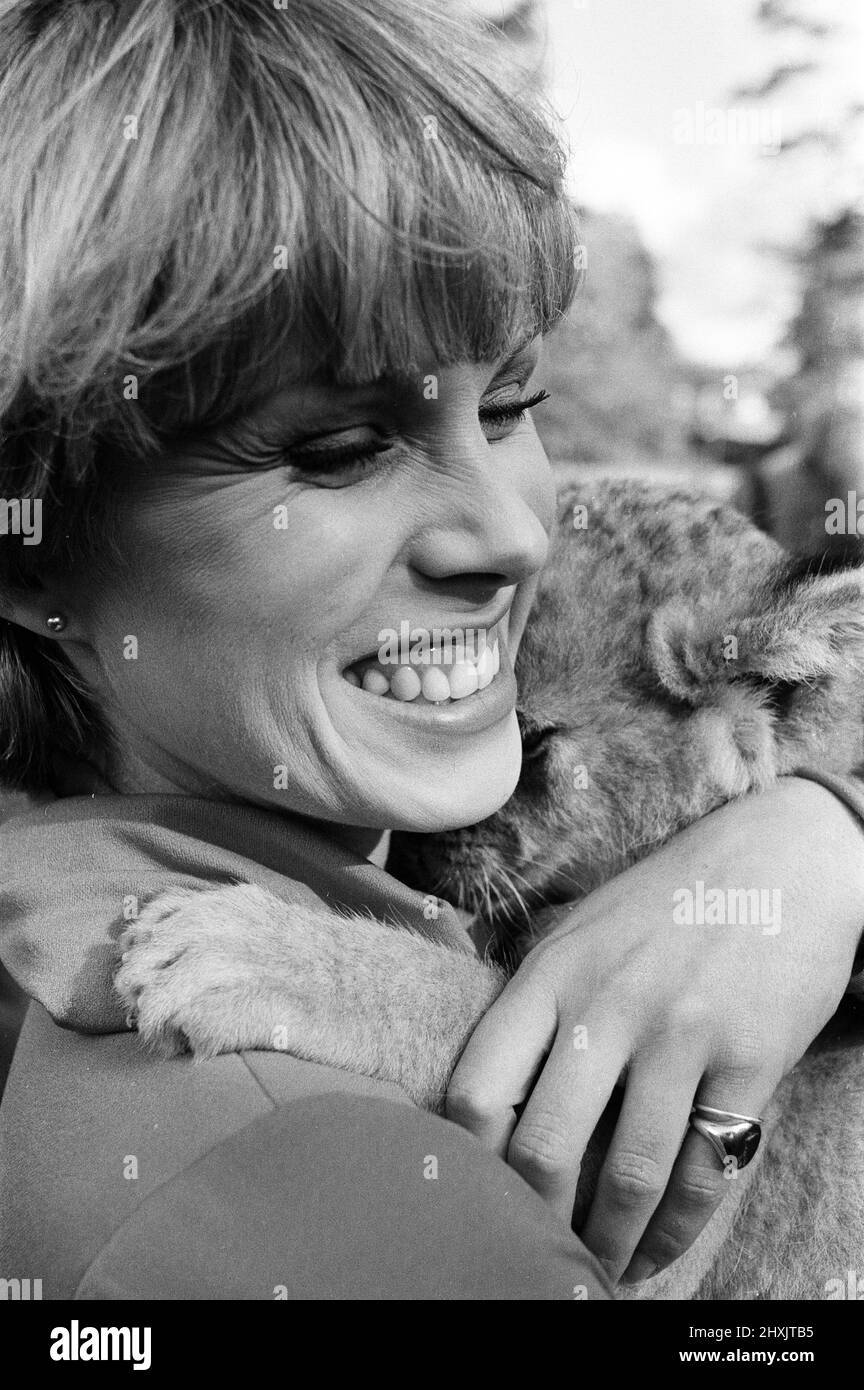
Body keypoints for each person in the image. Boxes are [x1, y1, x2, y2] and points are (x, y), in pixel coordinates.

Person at [0, 0, 862, 1300]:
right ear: (33, 556)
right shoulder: (330, 1187)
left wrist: (822, 831)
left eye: (514, 401)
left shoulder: (62, 877)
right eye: (335, 446)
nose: (507, 535)